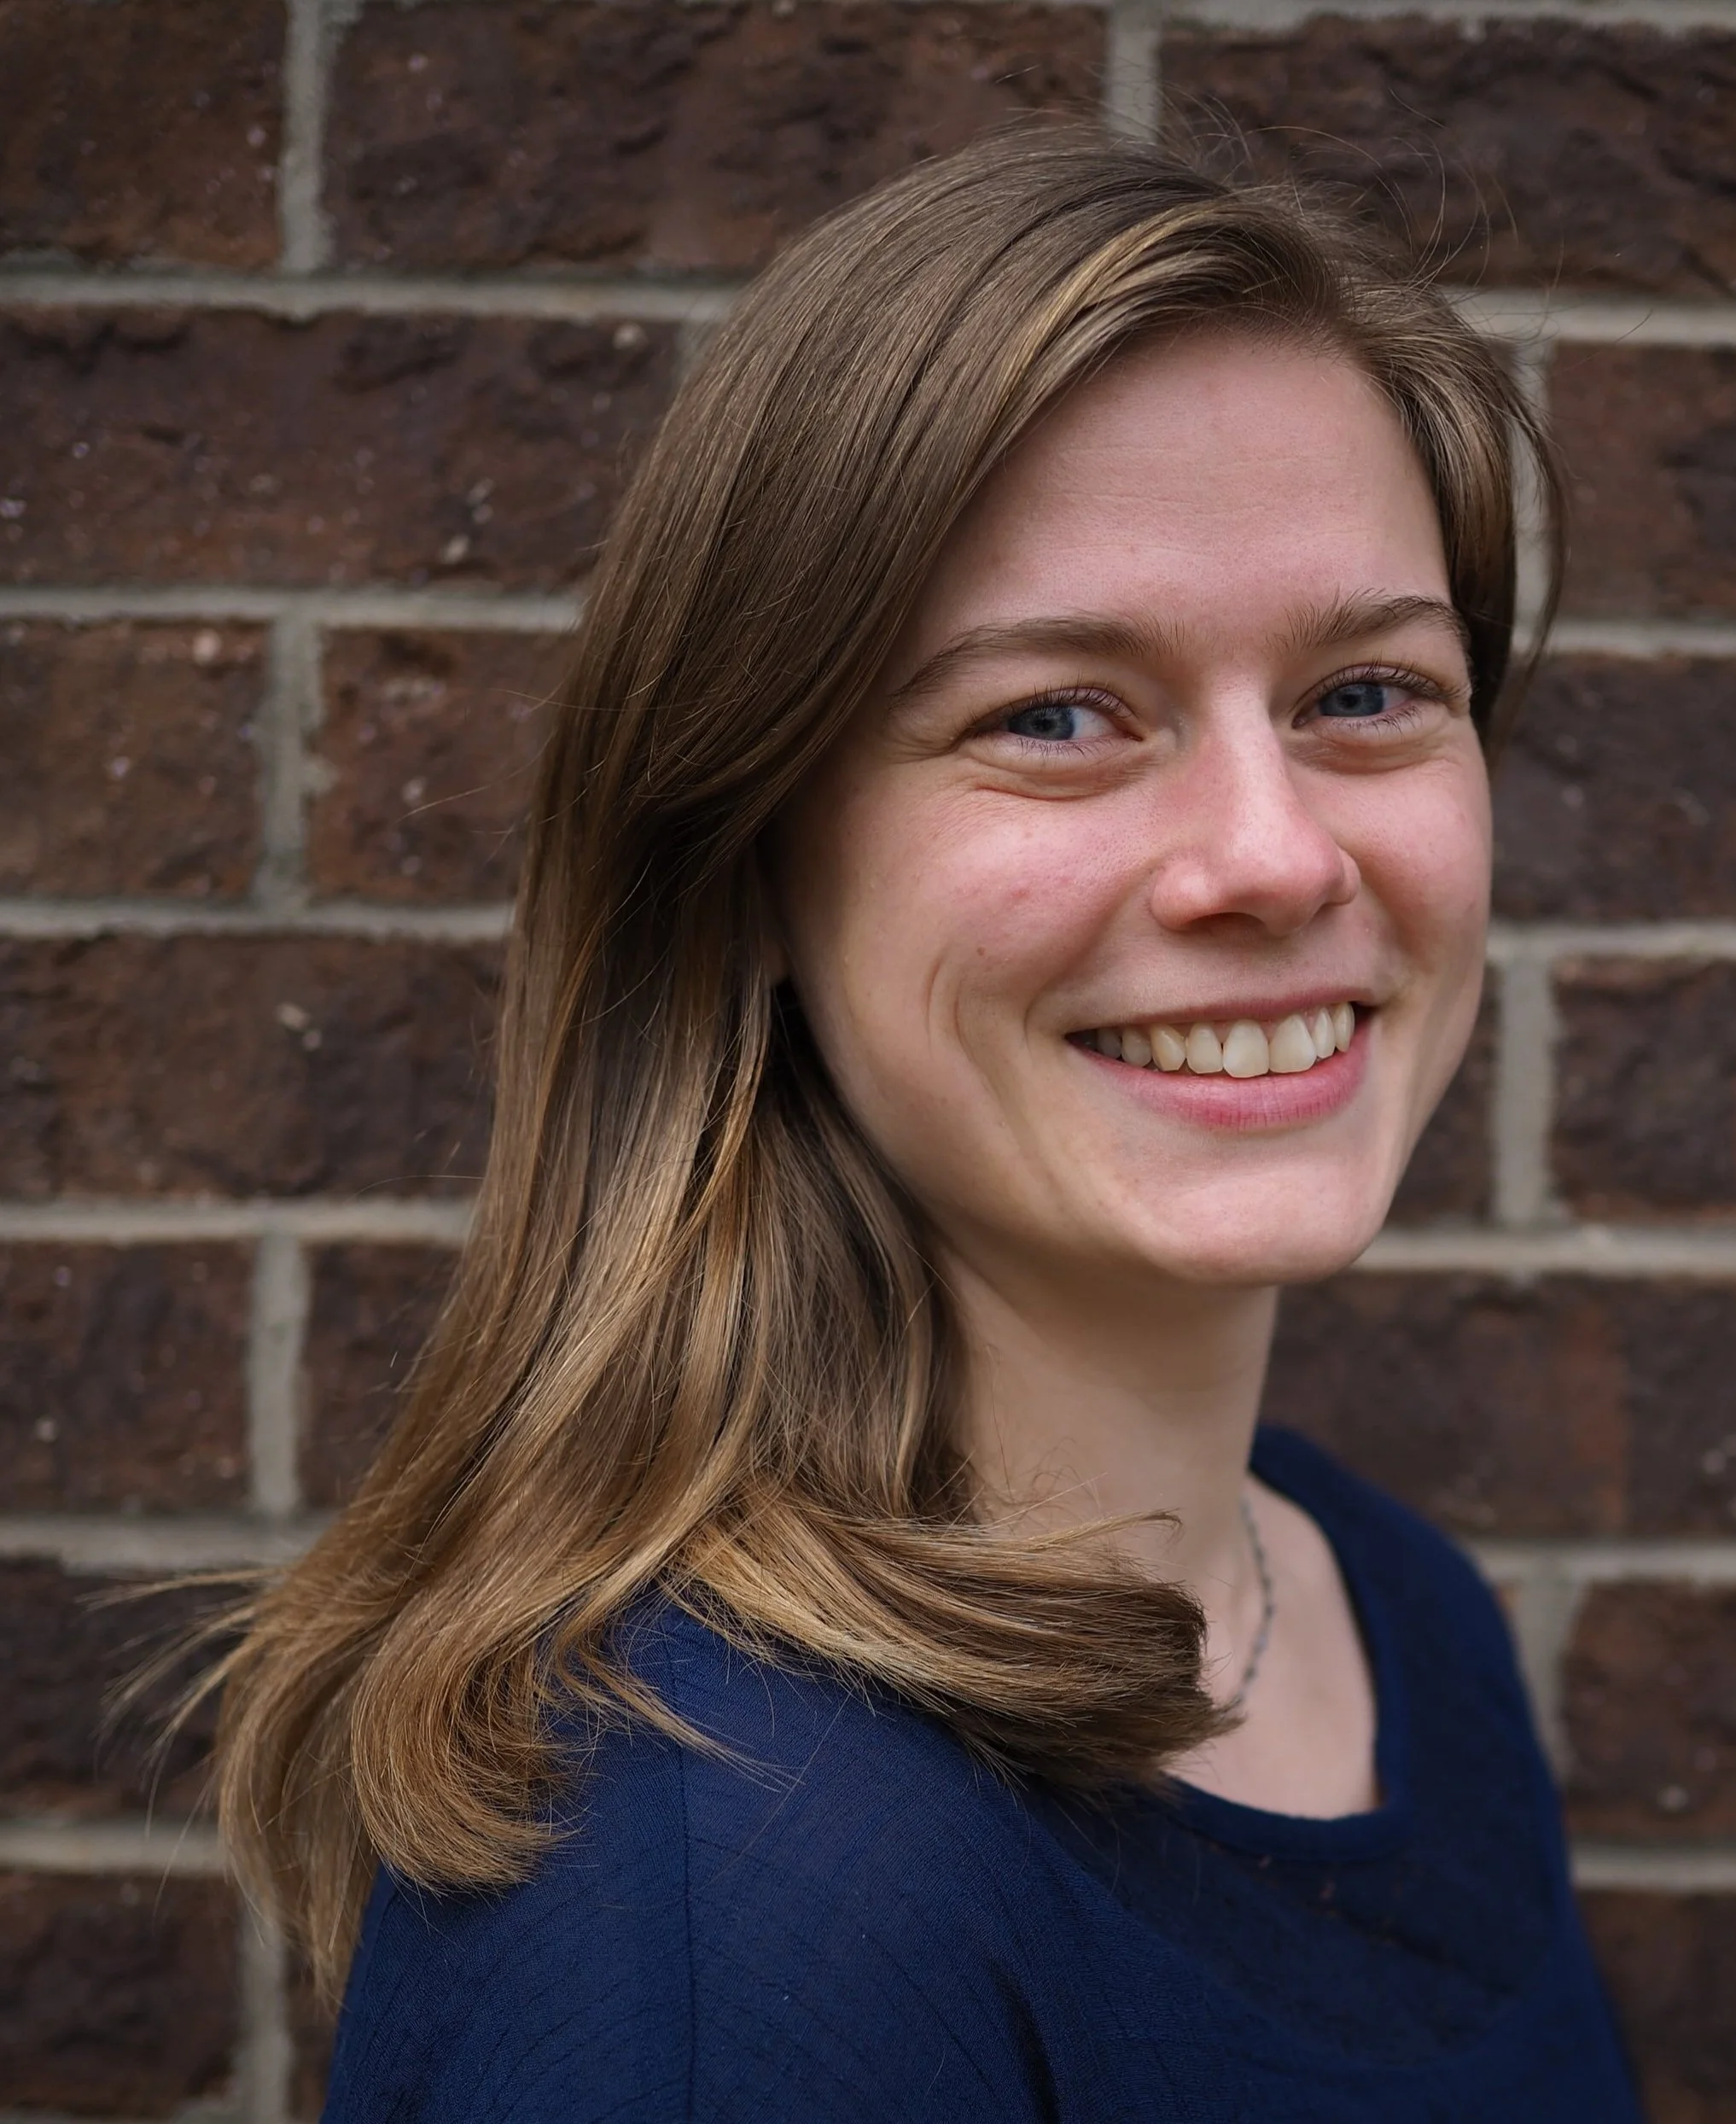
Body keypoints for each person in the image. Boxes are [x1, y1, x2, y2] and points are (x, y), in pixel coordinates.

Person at [212, 124, 1644, 2120]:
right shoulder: (724, 1927)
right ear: (748, 876)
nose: (1271, 853)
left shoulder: (1395, 1613)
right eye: (1054, 716)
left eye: (1363, 693)